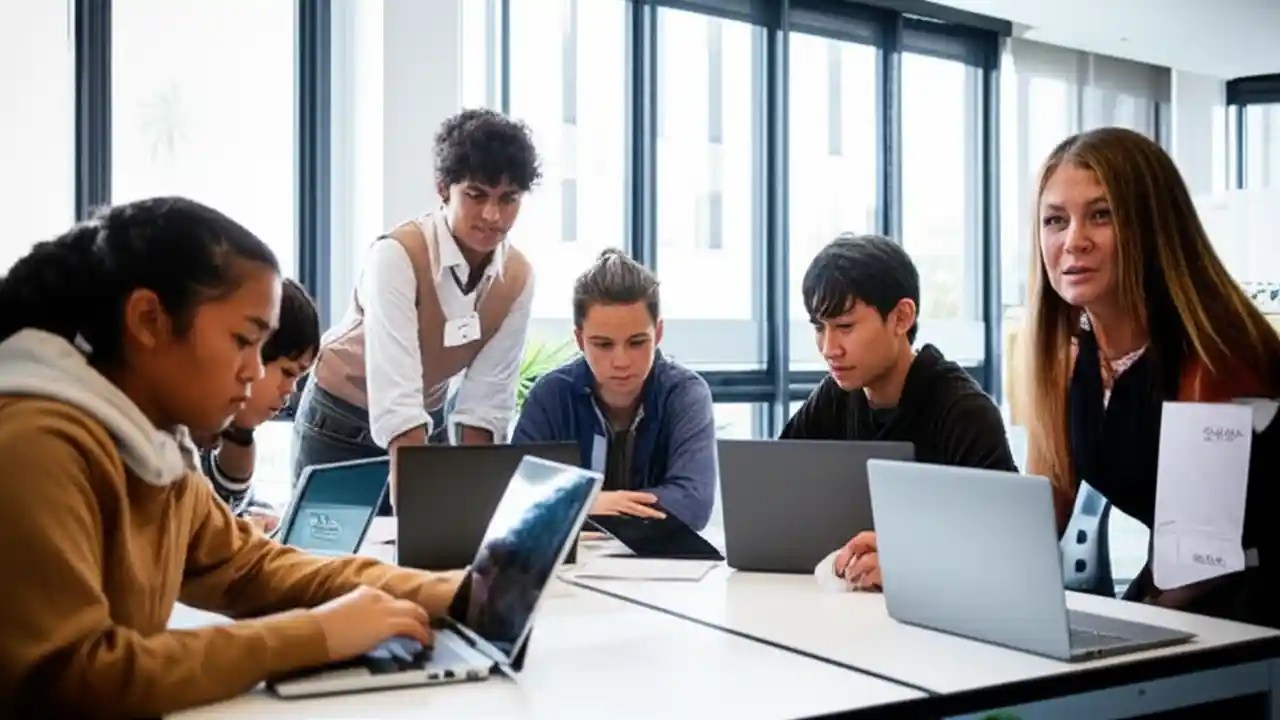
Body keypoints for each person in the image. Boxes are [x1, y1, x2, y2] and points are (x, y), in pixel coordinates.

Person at [0, 197, 463, 717]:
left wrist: (460, 592)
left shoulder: (152, 448)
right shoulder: (32, 445)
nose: (252, 370)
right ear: (148, 319)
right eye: (244, 341)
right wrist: (316, 635)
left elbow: (249, 568)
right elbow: (72, 677)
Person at [1020, 127, 1280, 627]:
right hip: (1180, 595)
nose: (1074, 241)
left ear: (1153, 228)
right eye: (1055, 220)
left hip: (1251, 611)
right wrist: (920, 558)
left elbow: (1199, 563)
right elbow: (1038, 517)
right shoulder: (1068, 361)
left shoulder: (1215, 354)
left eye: (1102, 215)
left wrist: (1119, 628)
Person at [294, 108, 541, 513]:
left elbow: (486, 403)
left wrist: (477, 511)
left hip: (426, 423)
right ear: (443, 188)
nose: (492, 215)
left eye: (508, 199)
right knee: (329, 563)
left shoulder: (518, 277)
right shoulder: (397, 255)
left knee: (435, 555)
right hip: (338, 421)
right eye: (476, 195)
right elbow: (397, 393)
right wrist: (421, 514)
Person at [788, 234, 1017, 591]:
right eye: (820, 328)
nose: (829, 348)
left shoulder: (964, 411)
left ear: (901, 317)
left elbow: (1006, 548)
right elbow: (778, 491)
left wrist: (911, 562)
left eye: (845, 327)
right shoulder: (835, 396)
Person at [512, 249, 717, 531]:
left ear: (657, 335)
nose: (621, 361)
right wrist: (595, 505)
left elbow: (693, 505)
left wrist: (580, 504)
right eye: (603, 344)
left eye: (636, 342)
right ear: (579, 340)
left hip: (660, 566)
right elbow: (520, 501)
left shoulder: (685, 394)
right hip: (570, 565)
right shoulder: (550, 396)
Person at [188, 277, 320, 532]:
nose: (290, 391)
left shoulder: (217, 431)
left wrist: (241, 428)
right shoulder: (178, 430)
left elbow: (223, 498)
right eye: (288, 372)